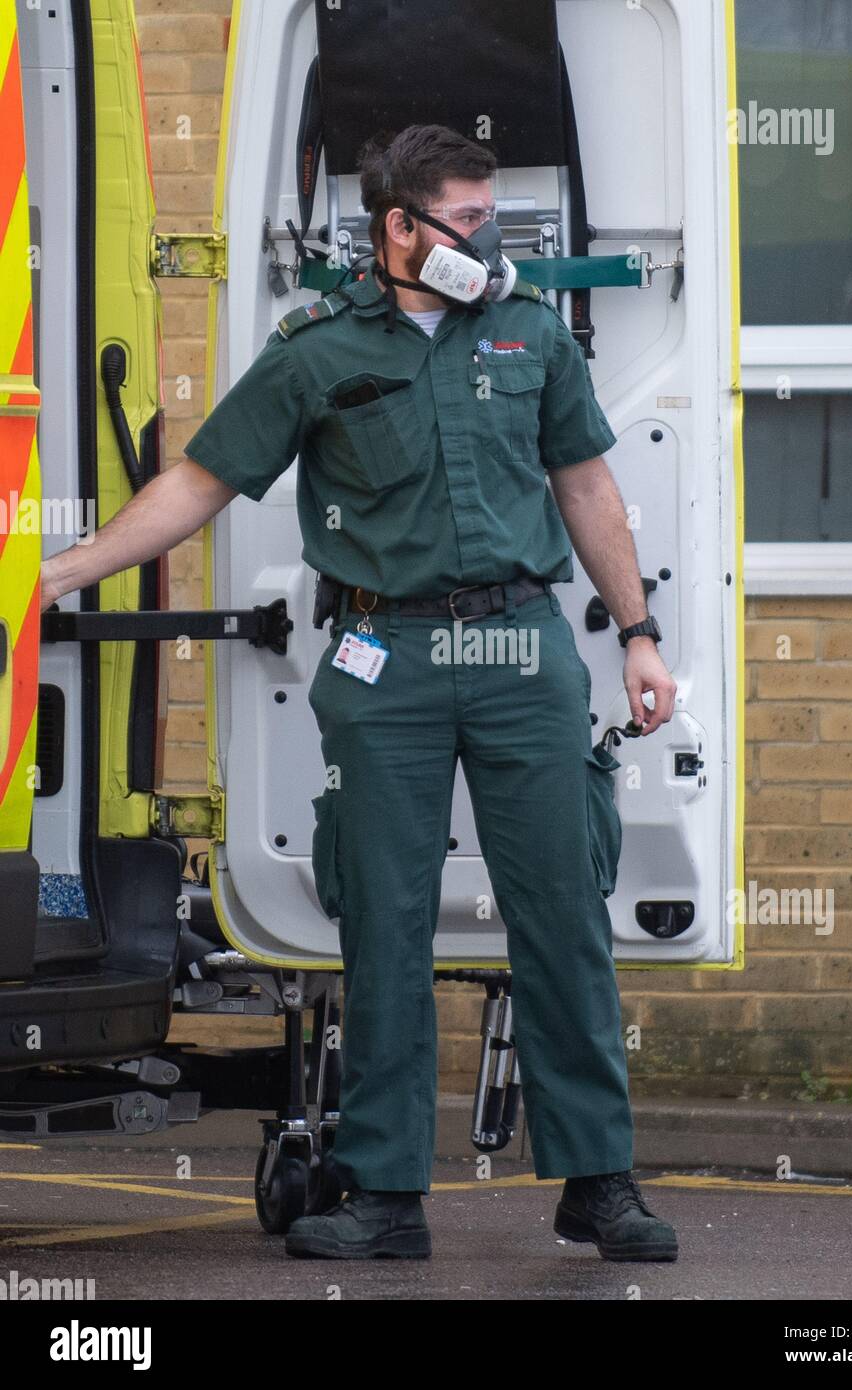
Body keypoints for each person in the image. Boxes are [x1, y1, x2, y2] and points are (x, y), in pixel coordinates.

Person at [40, 122, 679, 1264]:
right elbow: (202, 480)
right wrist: (57, 572)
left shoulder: (532, 332)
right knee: (383, 925)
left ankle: (600, 1181)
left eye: (493, 216)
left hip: (521, 648)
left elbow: (587, 484)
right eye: (467, 220)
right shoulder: (316, 349)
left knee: (562, 915)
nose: (489, 240)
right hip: (383, 660)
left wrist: (637, 632)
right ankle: (386, 1191)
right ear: (398, 226)